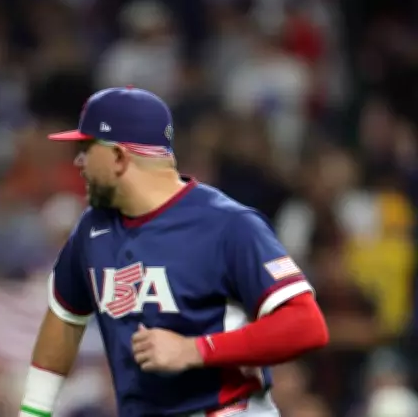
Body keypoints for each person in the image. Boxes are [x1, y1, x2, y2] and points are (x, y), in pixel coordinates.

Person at [17, 87, 329, 417]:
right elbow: (65, 316)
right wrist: (34, 412)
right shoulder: (93, 229)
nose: (78, 161)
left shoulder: (226, 224)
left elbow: (306, 324)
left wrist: (196, 349)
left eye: (86, 148)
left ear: (120, 157)